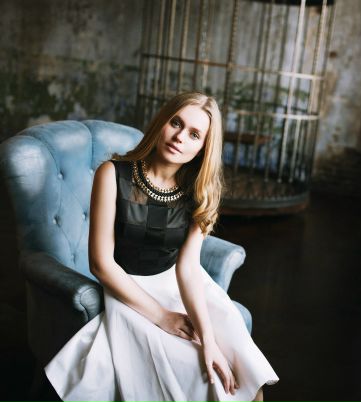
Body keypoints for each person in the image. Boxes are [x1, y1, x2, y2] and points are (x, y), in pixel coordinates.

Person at [44, 92, 279, 402]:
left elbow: (189, 268)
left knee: (248, 378)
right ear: (161, 122)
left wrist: (208, 339)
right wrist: (163, 317)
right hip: (128, 290)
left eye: (194, 134)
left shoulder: (200, 192)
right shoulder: (113, 174)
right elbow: (101, 264)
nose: (180, 137)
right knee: (202, 375)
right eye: (176, 123)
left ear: (203, 148)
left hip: (183, 286)